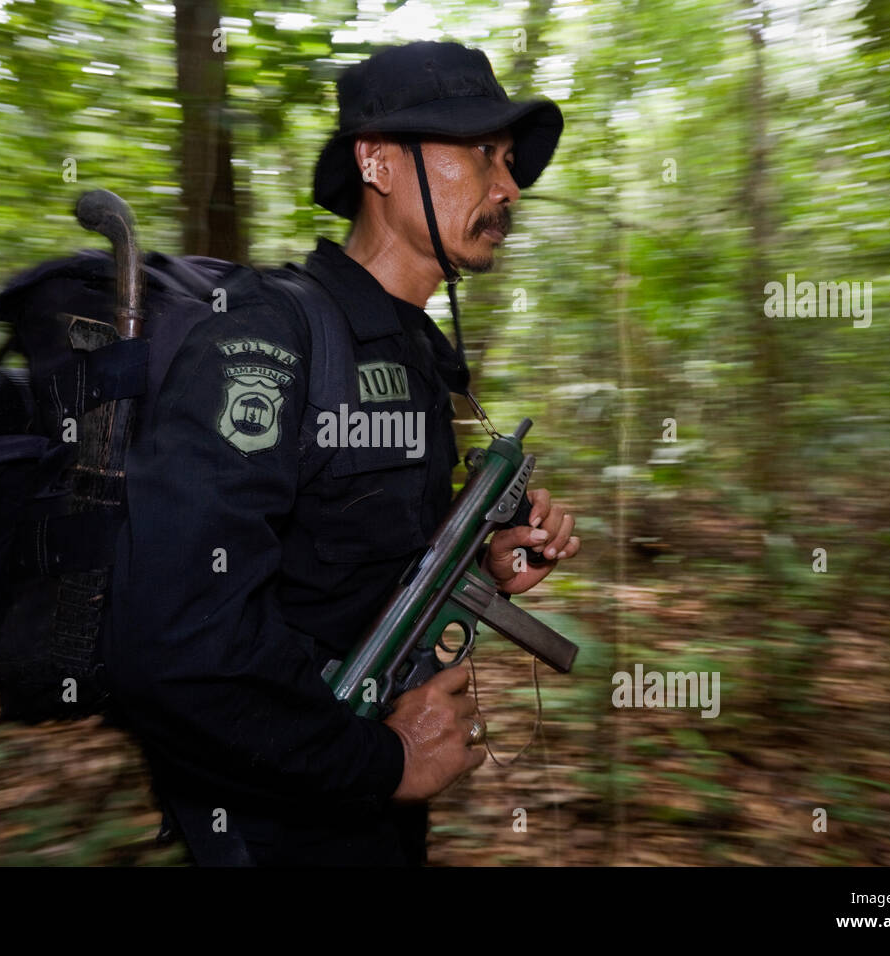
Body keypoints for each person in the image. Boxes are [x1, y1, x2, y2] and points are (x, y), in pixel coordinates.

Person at [104, 40, 581, 866]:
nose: (508, 187)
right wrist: (383, 761)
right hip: (281, 825)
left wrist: (487, 561)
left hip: (373, 817)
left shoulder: (415, 354)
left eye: (506, 160)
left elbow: (357, 563)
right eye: (478, 154)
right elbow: (171, 645)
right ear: (378, 163)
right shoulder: (266, 338)